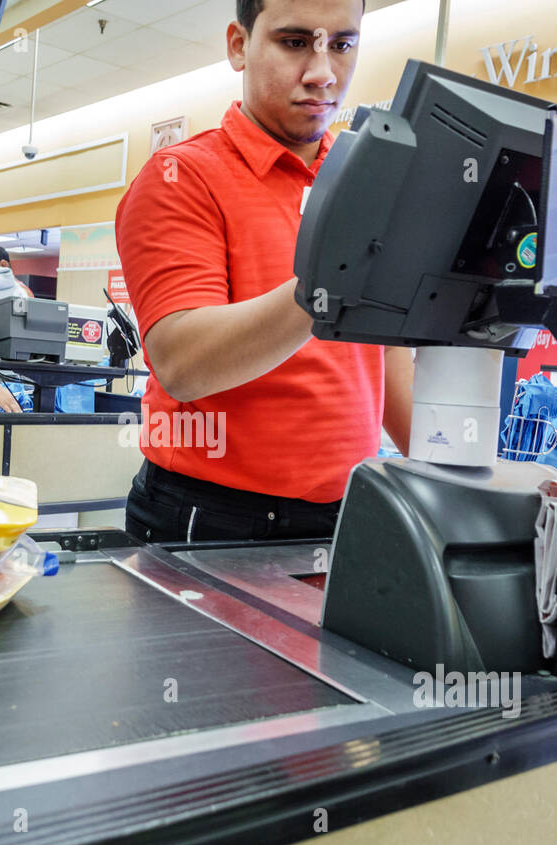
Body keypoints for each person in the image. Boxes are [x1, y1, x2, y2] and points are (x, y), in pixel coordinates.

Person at [114, 0, 413, 543]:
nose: (323, 72)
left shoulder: (364, 185)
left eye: (342, 45)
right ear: (238, 45)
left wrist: (464, 477)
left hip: (345, 512)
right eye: (295, 42)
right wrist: (328, 280)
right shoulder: (180, 177)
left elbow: (382, 355)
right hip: (212, 517)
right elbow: (183, 363)